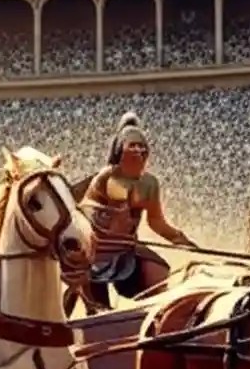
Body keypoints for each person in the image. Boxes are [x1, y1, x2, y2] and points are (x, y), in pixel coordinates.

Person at [69, 112, 198, 313]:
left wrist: (183, 242)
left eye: (141, 146)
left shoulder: (150, 183)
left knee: (162, 280)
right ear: (119, 150)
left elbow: (156, 222)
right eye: (132, 145)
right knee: (100, 313)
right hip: (94, 258)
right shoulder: (107, 178)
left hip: (125, 254)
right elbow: (120, 204)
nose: (138, 150)